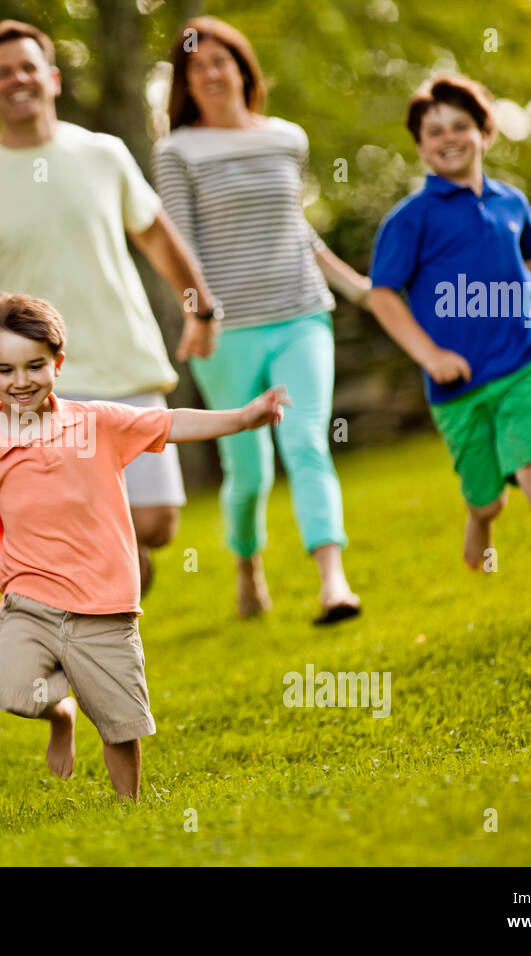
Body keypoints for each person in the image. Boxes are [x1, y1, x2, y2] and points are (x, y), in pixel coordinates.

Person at [0, 19, 221, 595]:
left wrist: (200, 308)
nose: (17, 80)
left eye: (28, 67)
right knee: (58, 527)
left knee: (156, 523)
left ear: (52, 78)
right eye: (3, 74)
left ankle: (110, 576)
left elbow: (155, 233)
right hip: (40, 383)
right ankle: (78, 631)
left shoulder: (102, 154)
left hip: (123, 360)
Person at [0, 294, 290, 800]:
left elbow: (170, 423)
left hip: (104, 603)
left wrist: (241, 418)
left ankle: (127, 807)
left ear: (58, 364)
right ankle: (59, 711)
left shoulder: (95, 423)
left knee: (120, 722)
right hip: (30, 600)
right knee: (12, 690)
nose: (20, 381)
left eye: (35, 366)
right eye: (5, 370)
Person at [368, 76, 531, 621]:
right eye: (433, 130)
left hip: (521, 361)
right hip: (456, 386)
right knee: (488, 495)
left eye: (460, 125)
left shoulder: (512, 203)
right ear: (419, 146)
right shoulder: (410, 220)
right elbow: (383, 297)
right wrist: (430, 356)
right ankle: (482, 517)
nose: (448, 137)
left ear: (485, 132)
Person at [152, 16, 367, 623]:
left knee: (305, 441)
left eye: (222, 60)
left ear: (244, 68)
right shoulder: (177, 150)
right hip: (229, 332)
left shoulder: (286, 138)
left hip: (300, 313)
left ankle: (333, 582)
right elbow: (179, 245)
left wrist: (352, 285)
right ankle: (247, 564)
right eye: (197, 66)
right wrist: (198, 314)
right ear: (186, 84)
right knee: (248, 470)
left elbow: (293, 228)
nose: (212, 73)